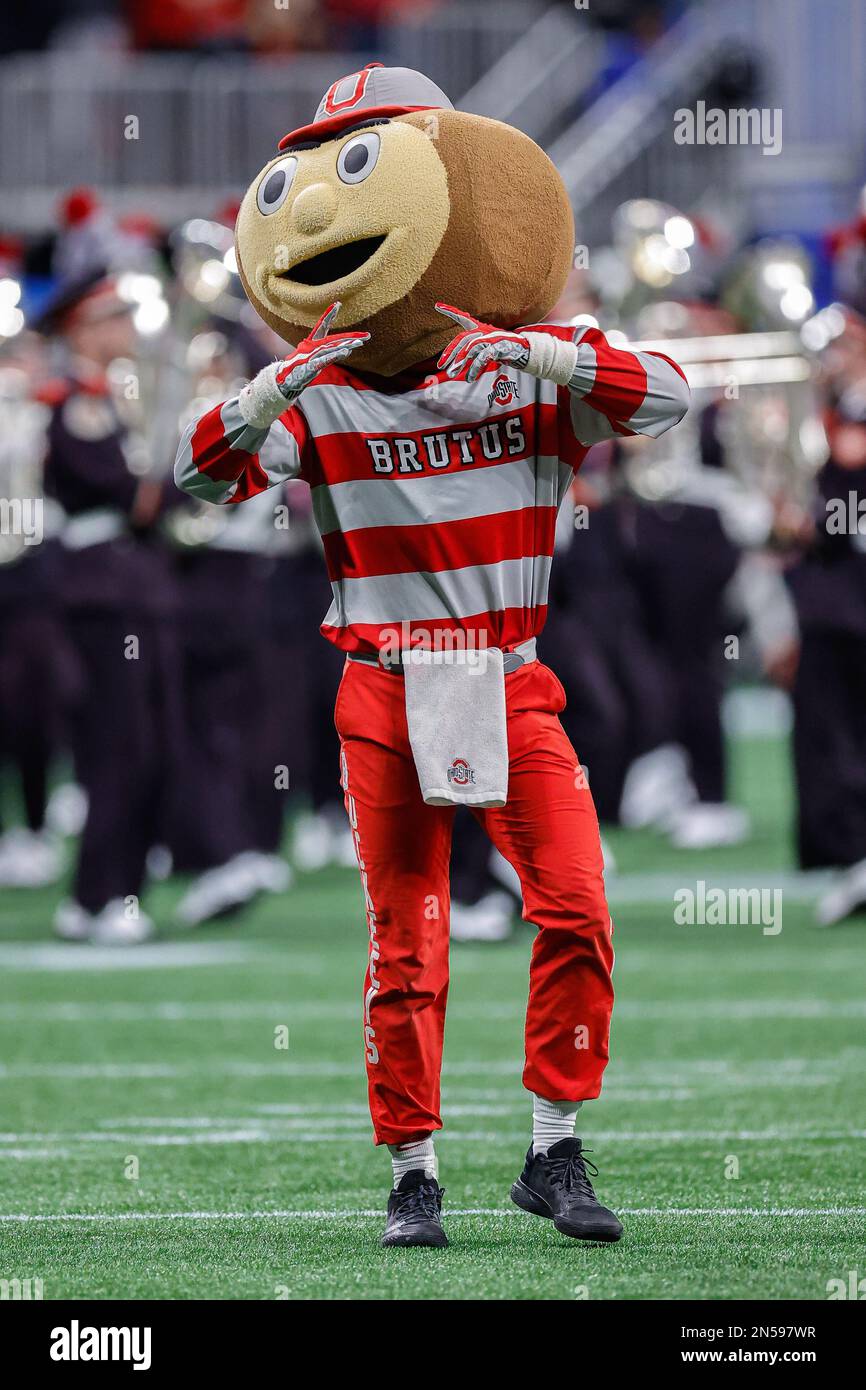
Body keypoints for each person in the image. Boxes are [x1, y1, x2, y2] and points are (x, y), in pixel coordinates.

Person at [175, 64, 689, 1247]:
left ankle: (552, 1150)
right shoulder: (319, 394)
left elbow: (666, 395)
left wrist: (546, 356)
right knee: (404, 937)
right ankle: (413, 1169)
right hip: (383, 683)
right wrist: (262, 395)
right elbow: (194, 487)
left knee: (575, 906)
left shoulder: (530, 366)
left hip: (504, 676)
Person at [39, 270, 179, 944]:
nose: (127, 328)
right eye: (115, 316)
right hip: (100, 594)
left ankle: (118, 890)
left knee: (149, 744)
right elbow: (126, 494)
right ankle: (98, 894)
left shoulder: (119, 397)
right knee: (119, 747)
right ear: (84, 329)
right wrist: (173, 480)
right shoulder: (72, 402)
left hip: (136, 588)